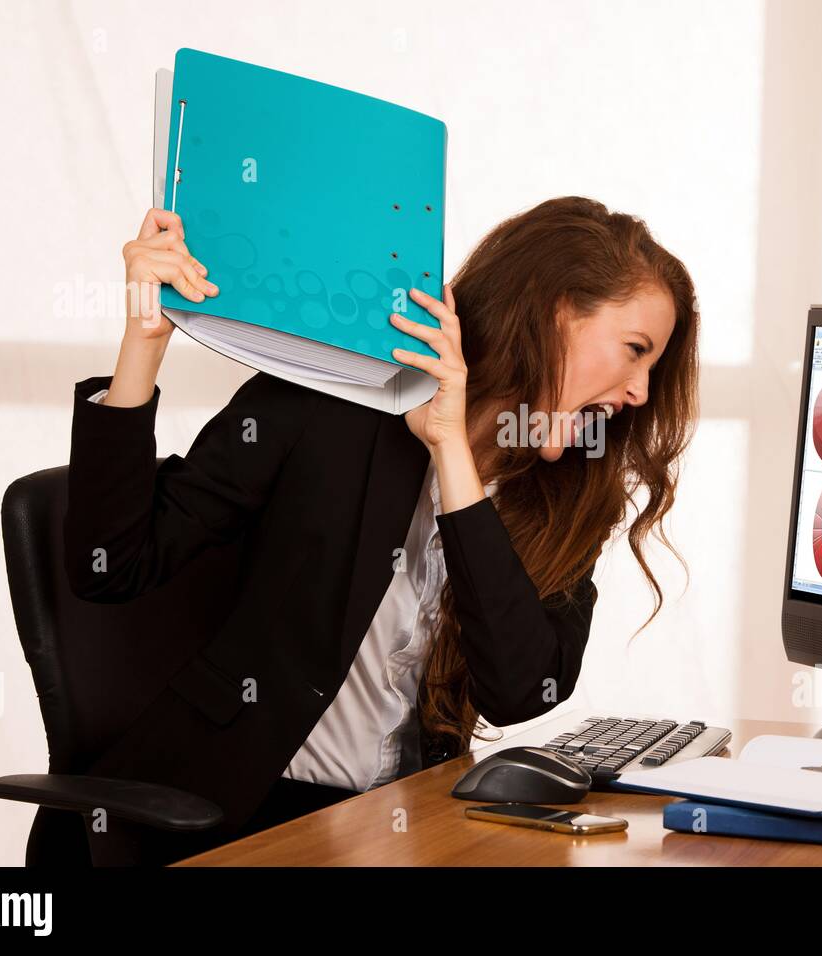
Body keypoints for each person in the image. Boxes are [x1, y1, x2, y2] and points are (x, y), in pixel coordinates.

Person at [62, 195, 699, 864]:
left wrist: (452, 450)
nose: (640, 393)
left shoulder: (570, 497)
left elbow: (517, 691)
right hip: (242, 817)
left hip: (408, 821)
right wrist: (144, 340)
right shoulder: (326, 405)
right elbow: (112, 564)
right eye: (634, 351)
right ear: (555, 311)